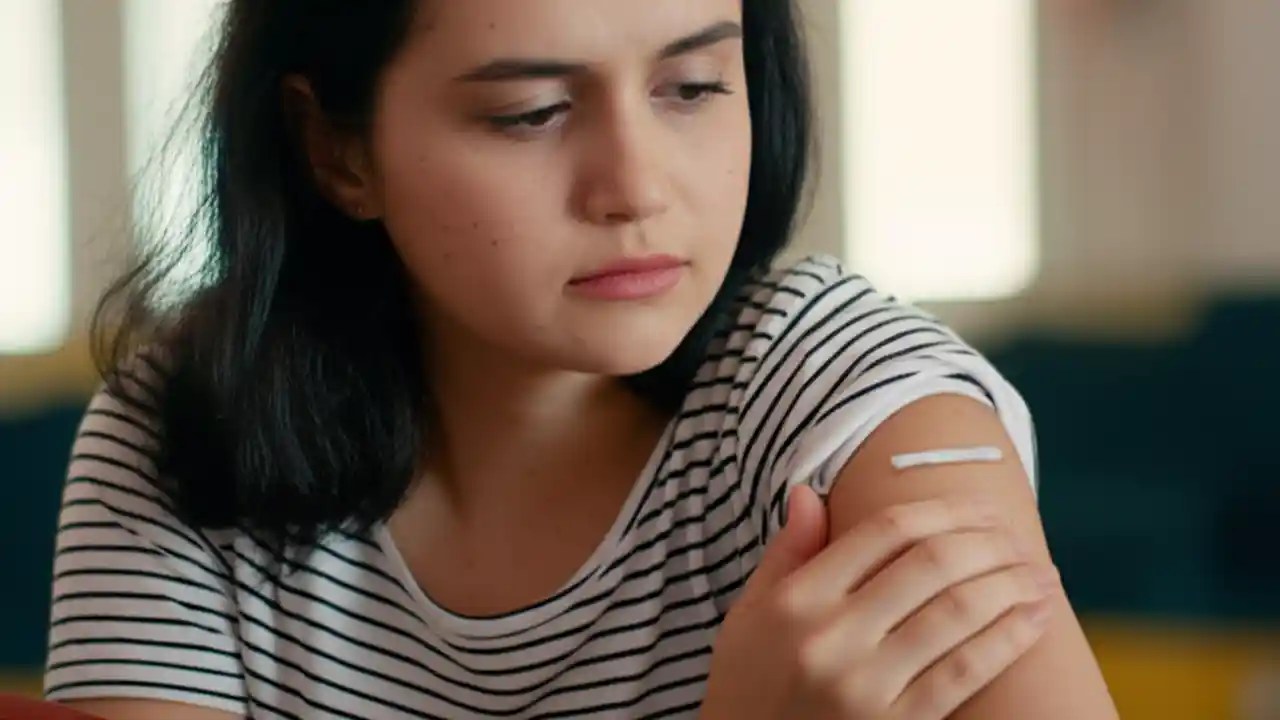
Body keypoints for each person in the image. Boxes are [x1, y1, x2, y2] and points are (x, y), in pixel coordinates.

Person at [43, 1, 1119, 718]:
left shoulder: (845, 393)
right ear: (337, 149)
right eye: (532, 112)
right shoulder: (178, 434)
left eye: (691, 87)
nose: (635, 187)